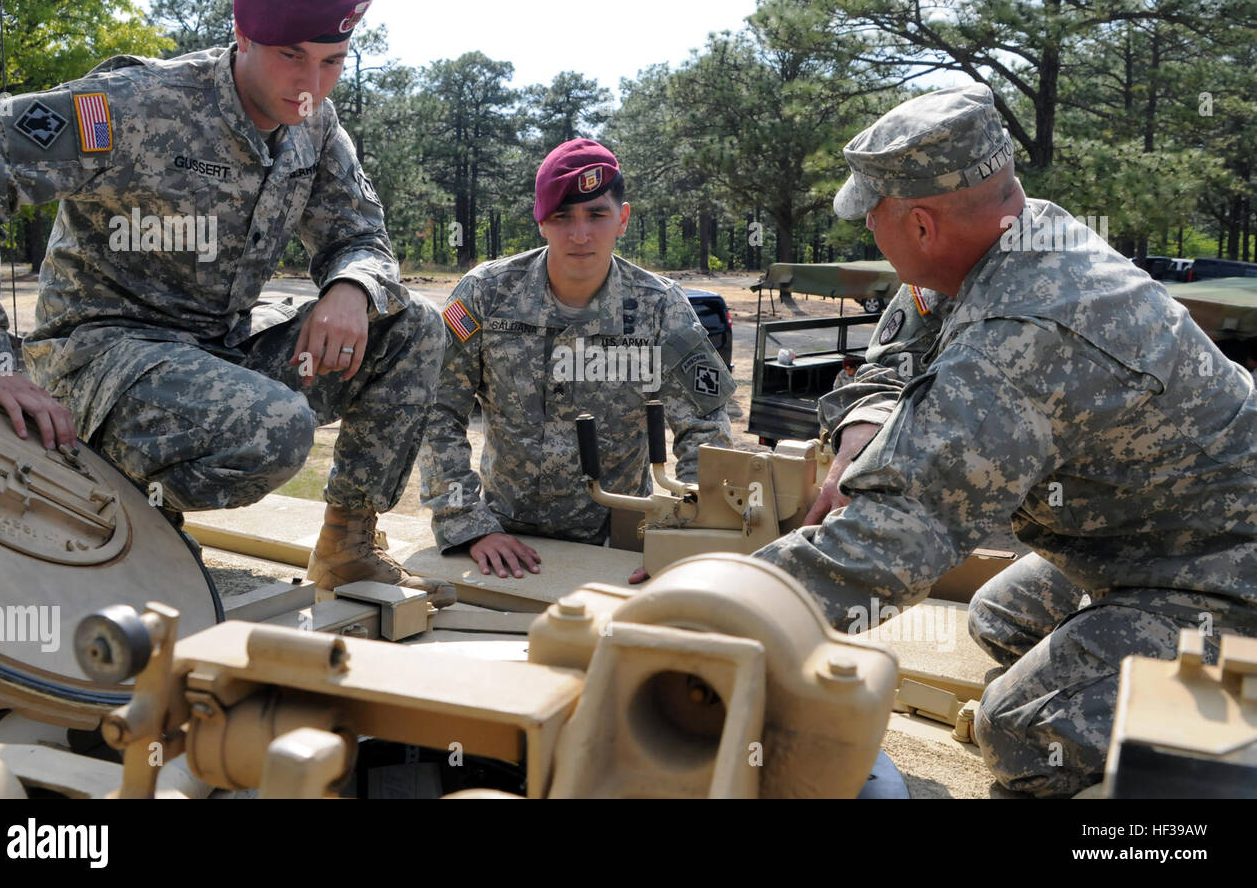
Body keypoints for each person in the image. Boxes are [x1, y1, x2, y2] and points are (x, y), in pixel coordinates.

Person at [753, 83, 1257, 796]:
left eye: (874, 217)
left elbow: (891, 544)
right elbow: (909, 331)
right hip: (1154, 532)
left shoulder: (1023, 334)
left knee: (1021, 727)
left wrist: (722, 606)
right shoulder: (1014, 233)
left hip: (1225, 573)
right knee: (999, 617)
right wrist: (866, 421)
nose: (866, 231)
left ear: (923, 226)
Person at [0, 0, 455, 606]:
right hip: (100, 360)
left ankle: (348, 543)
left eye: (332, 62)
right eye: (291, 56)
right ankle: (131, 519)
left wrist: (351, 286)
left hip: (215, 355)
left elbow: (361, 233)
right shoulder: (137, 103)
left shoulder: (313, 123)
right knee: (275, 427)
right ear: (242, 37)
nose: (313, 82)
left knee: (413, 327)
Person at [418, 139, 735, 579]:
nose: (580, 234)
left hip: (620, 540)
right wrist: (466, 522)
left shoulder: (659, 306)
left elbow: (706, 430)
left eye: (597, 215)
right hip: (503, 535)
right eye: (563, 217)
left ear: (622, 219)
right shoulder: (486, 294)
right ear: (541, 221)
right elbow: (437, 410)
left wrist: (685, 538)